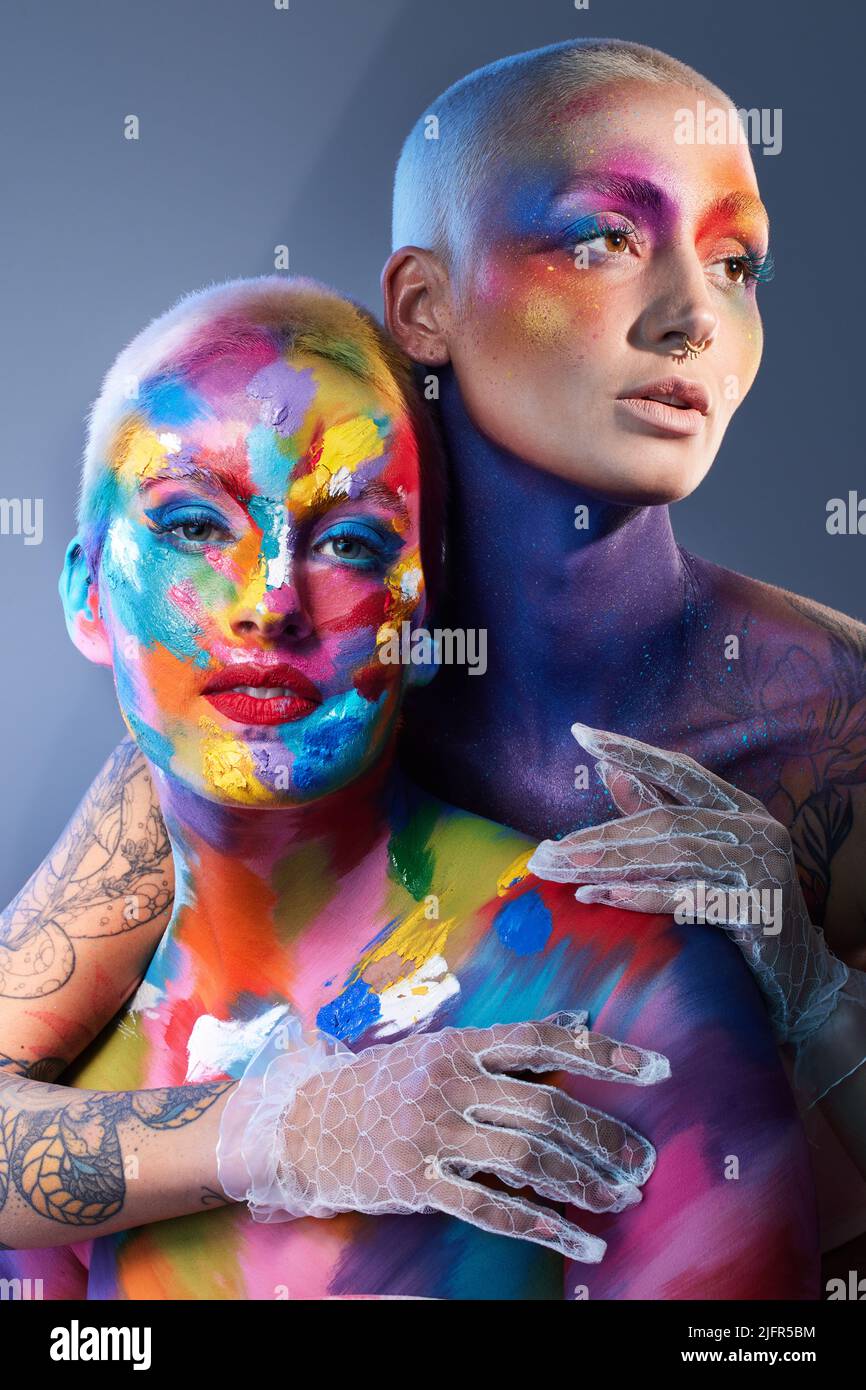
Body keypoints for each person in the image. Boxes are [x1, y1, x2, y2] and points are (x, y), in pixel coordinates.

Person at [0, 277, 816, 1300]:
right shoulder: (79, 1021)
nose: (269, 604)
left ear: (423, 612)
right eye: (193, 527)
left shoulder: (619, 1001)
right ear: (84, 592)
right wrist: (279, 1132)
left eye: (349, 542)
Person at [381, 38, 866, 1255]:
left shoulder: (839, 714)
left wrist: (815, 1000)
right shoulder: (282, 689)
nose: (692, 319)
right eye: (601, 237)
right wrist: (263, 1135)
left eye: (733, 261)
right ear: (423, 307)